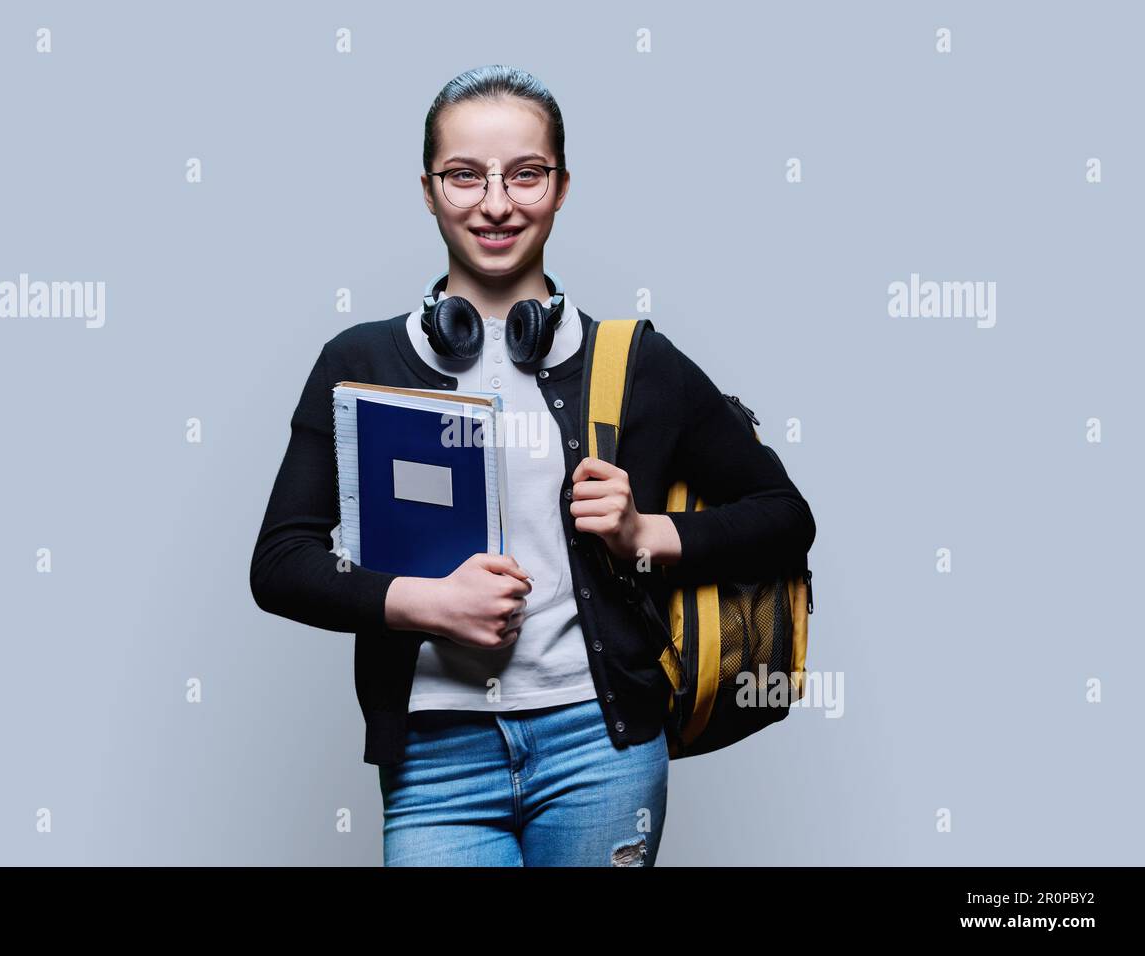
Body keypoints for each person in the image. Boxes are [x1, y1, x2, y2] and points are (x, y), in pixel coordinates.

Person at [250, 64, 816, 866]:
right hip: (434, 757)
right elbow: (279, 563)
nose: (495, 203)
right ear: (427, 189)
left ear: (560, 186)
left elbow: (787, 517)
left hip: (600, 746)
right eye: (464, 176)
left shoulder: (633, 363)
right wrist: (425, 605)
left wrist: (645, 533)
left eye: (525, 175)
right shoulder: (361, 361)